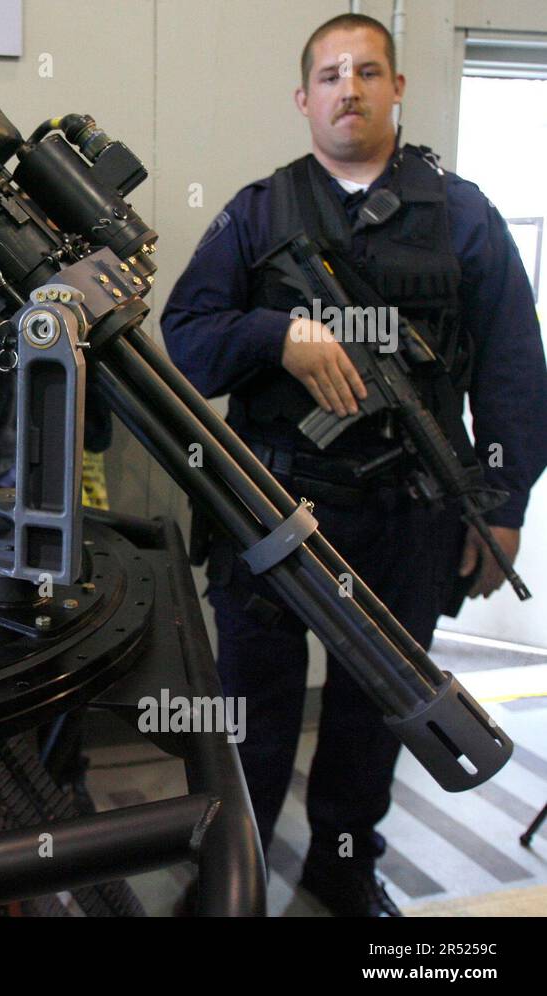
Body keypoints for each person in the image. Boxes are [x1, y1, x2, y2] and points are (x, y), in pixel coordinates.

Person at [161, 13, 547, 915]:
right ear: (304, 100)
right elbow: (186, 338)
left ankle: (340, 866)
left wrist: (500, 507)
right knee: (249, 712)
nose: (350, 89)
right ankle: (233, 874)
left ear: (398, 89)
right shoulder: (258, 212)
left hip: (409, 514)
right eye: (330, 76)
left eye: (368, 71)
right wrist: (277, 334)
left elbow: (513, 373)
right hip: (271, 503)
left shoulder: (465, 217)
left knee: (375, 712)